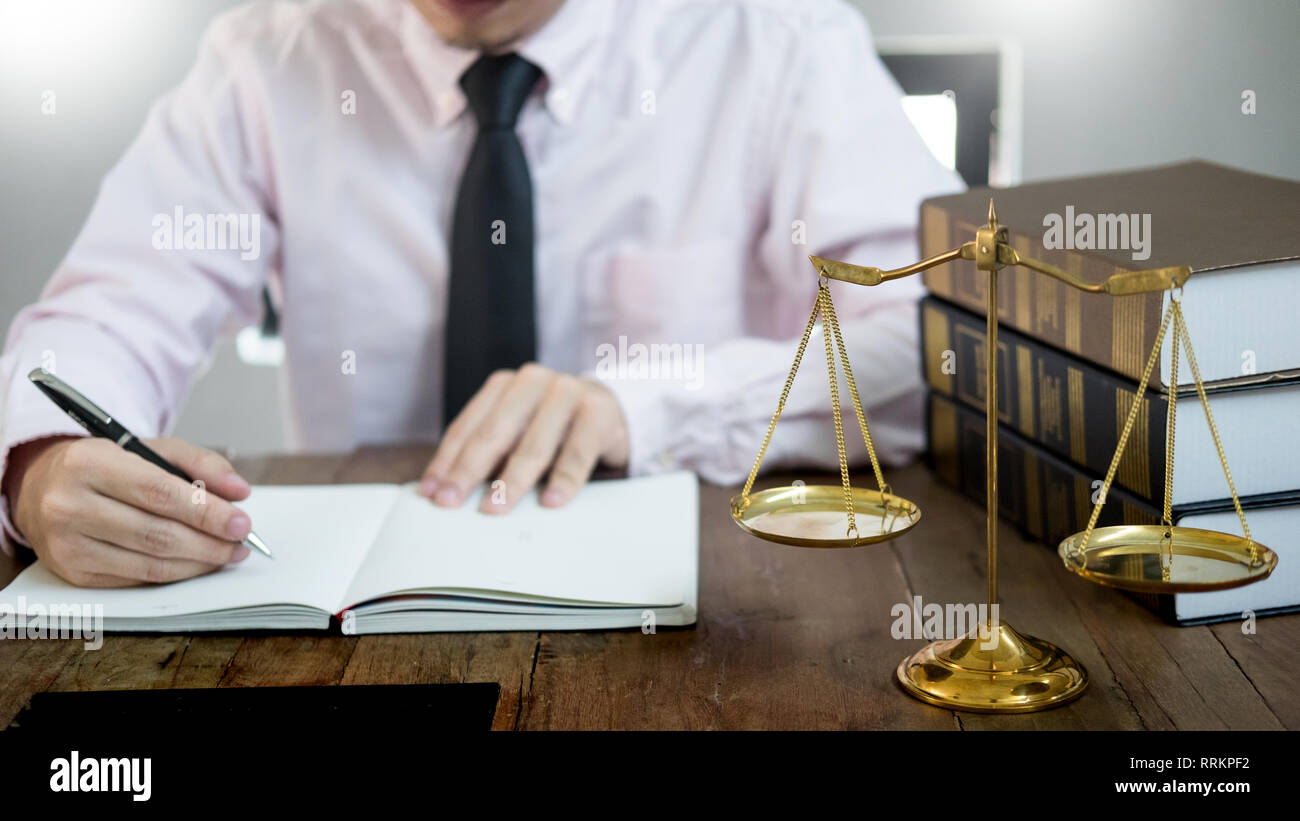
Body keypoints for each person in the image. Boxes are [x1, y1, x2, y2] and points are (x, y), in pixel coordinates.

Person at [0, 0, 962, 587]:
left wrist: (649, 403)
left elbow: (940, 335)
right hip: (344, 613)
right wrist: (41, 466)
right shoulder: (263, 67)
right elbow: (111, 311)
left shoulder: (782, 46)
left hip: (713, 604)